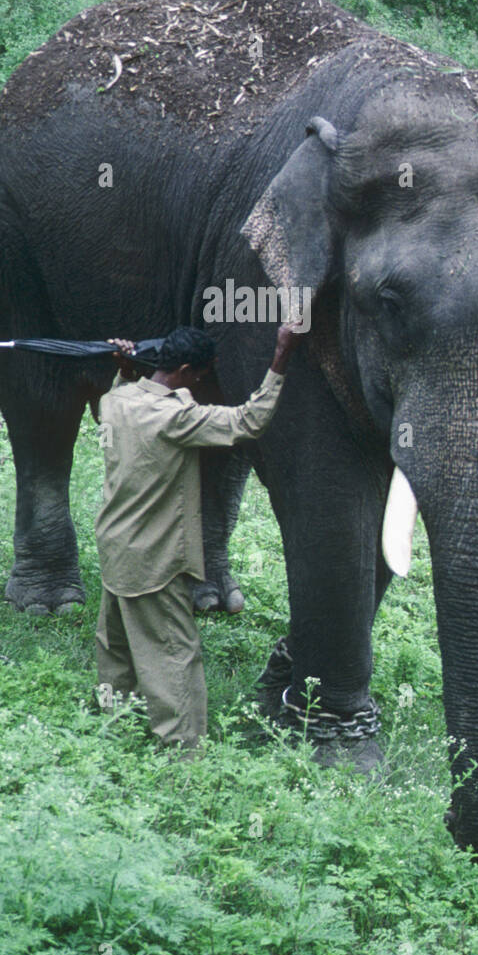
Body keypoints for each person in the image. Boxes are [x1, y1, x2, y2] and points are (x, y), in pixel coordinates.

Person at [94, 321, 305, 751]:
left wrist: (125, 370)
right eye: (201, 375)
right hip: (154, 559)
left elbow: (116, 403)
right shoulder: (174, 417)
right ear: (187, 369)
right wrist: (280, 357)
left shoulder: (115, 400)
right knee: (174, 655)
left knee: (114, 647)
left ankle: (112, 729)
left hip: (114, 546)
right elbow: (248, 422)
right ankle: (183, 756)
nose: (204, 382)